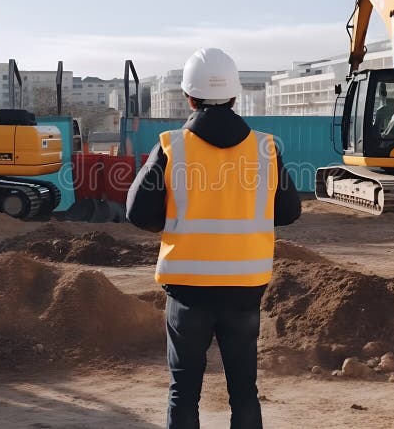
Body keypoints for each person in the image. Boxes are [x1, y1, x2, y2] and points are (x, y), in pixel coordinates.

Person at [126, 48, 301, 429]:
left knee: (183, 391)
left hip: (187, 290)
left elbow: (138, 212)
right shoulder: (266, 149)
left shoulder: (172, 146)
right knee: (244, 390)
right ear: (235, 96)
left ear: (189, 98)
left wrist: (173, 220)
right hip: (244, 289)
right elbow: (289, 211)